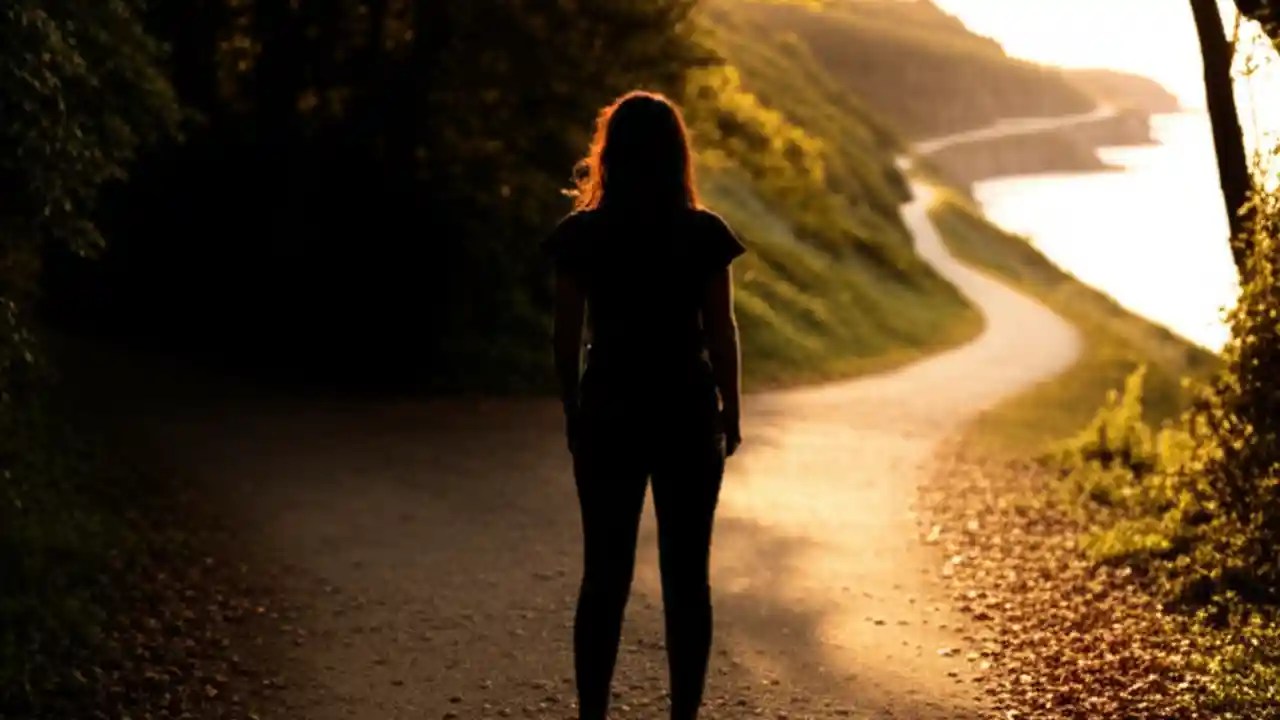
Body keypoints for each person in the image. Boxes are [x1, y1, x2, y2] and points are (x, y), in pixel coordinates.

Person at [544, 90, 745, 720]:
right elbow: (722, 329)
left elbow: (565, 332)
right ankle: (682, 715)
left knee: (603, 577)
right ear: (676, 155)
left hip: (609, 410)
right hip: (687, 411)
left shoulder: (581, 235)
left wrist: (575, 410)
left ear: (610, 154)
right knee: (689, 581)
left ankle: (593, 715)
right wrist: (731, 409)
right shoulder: (703, 233)